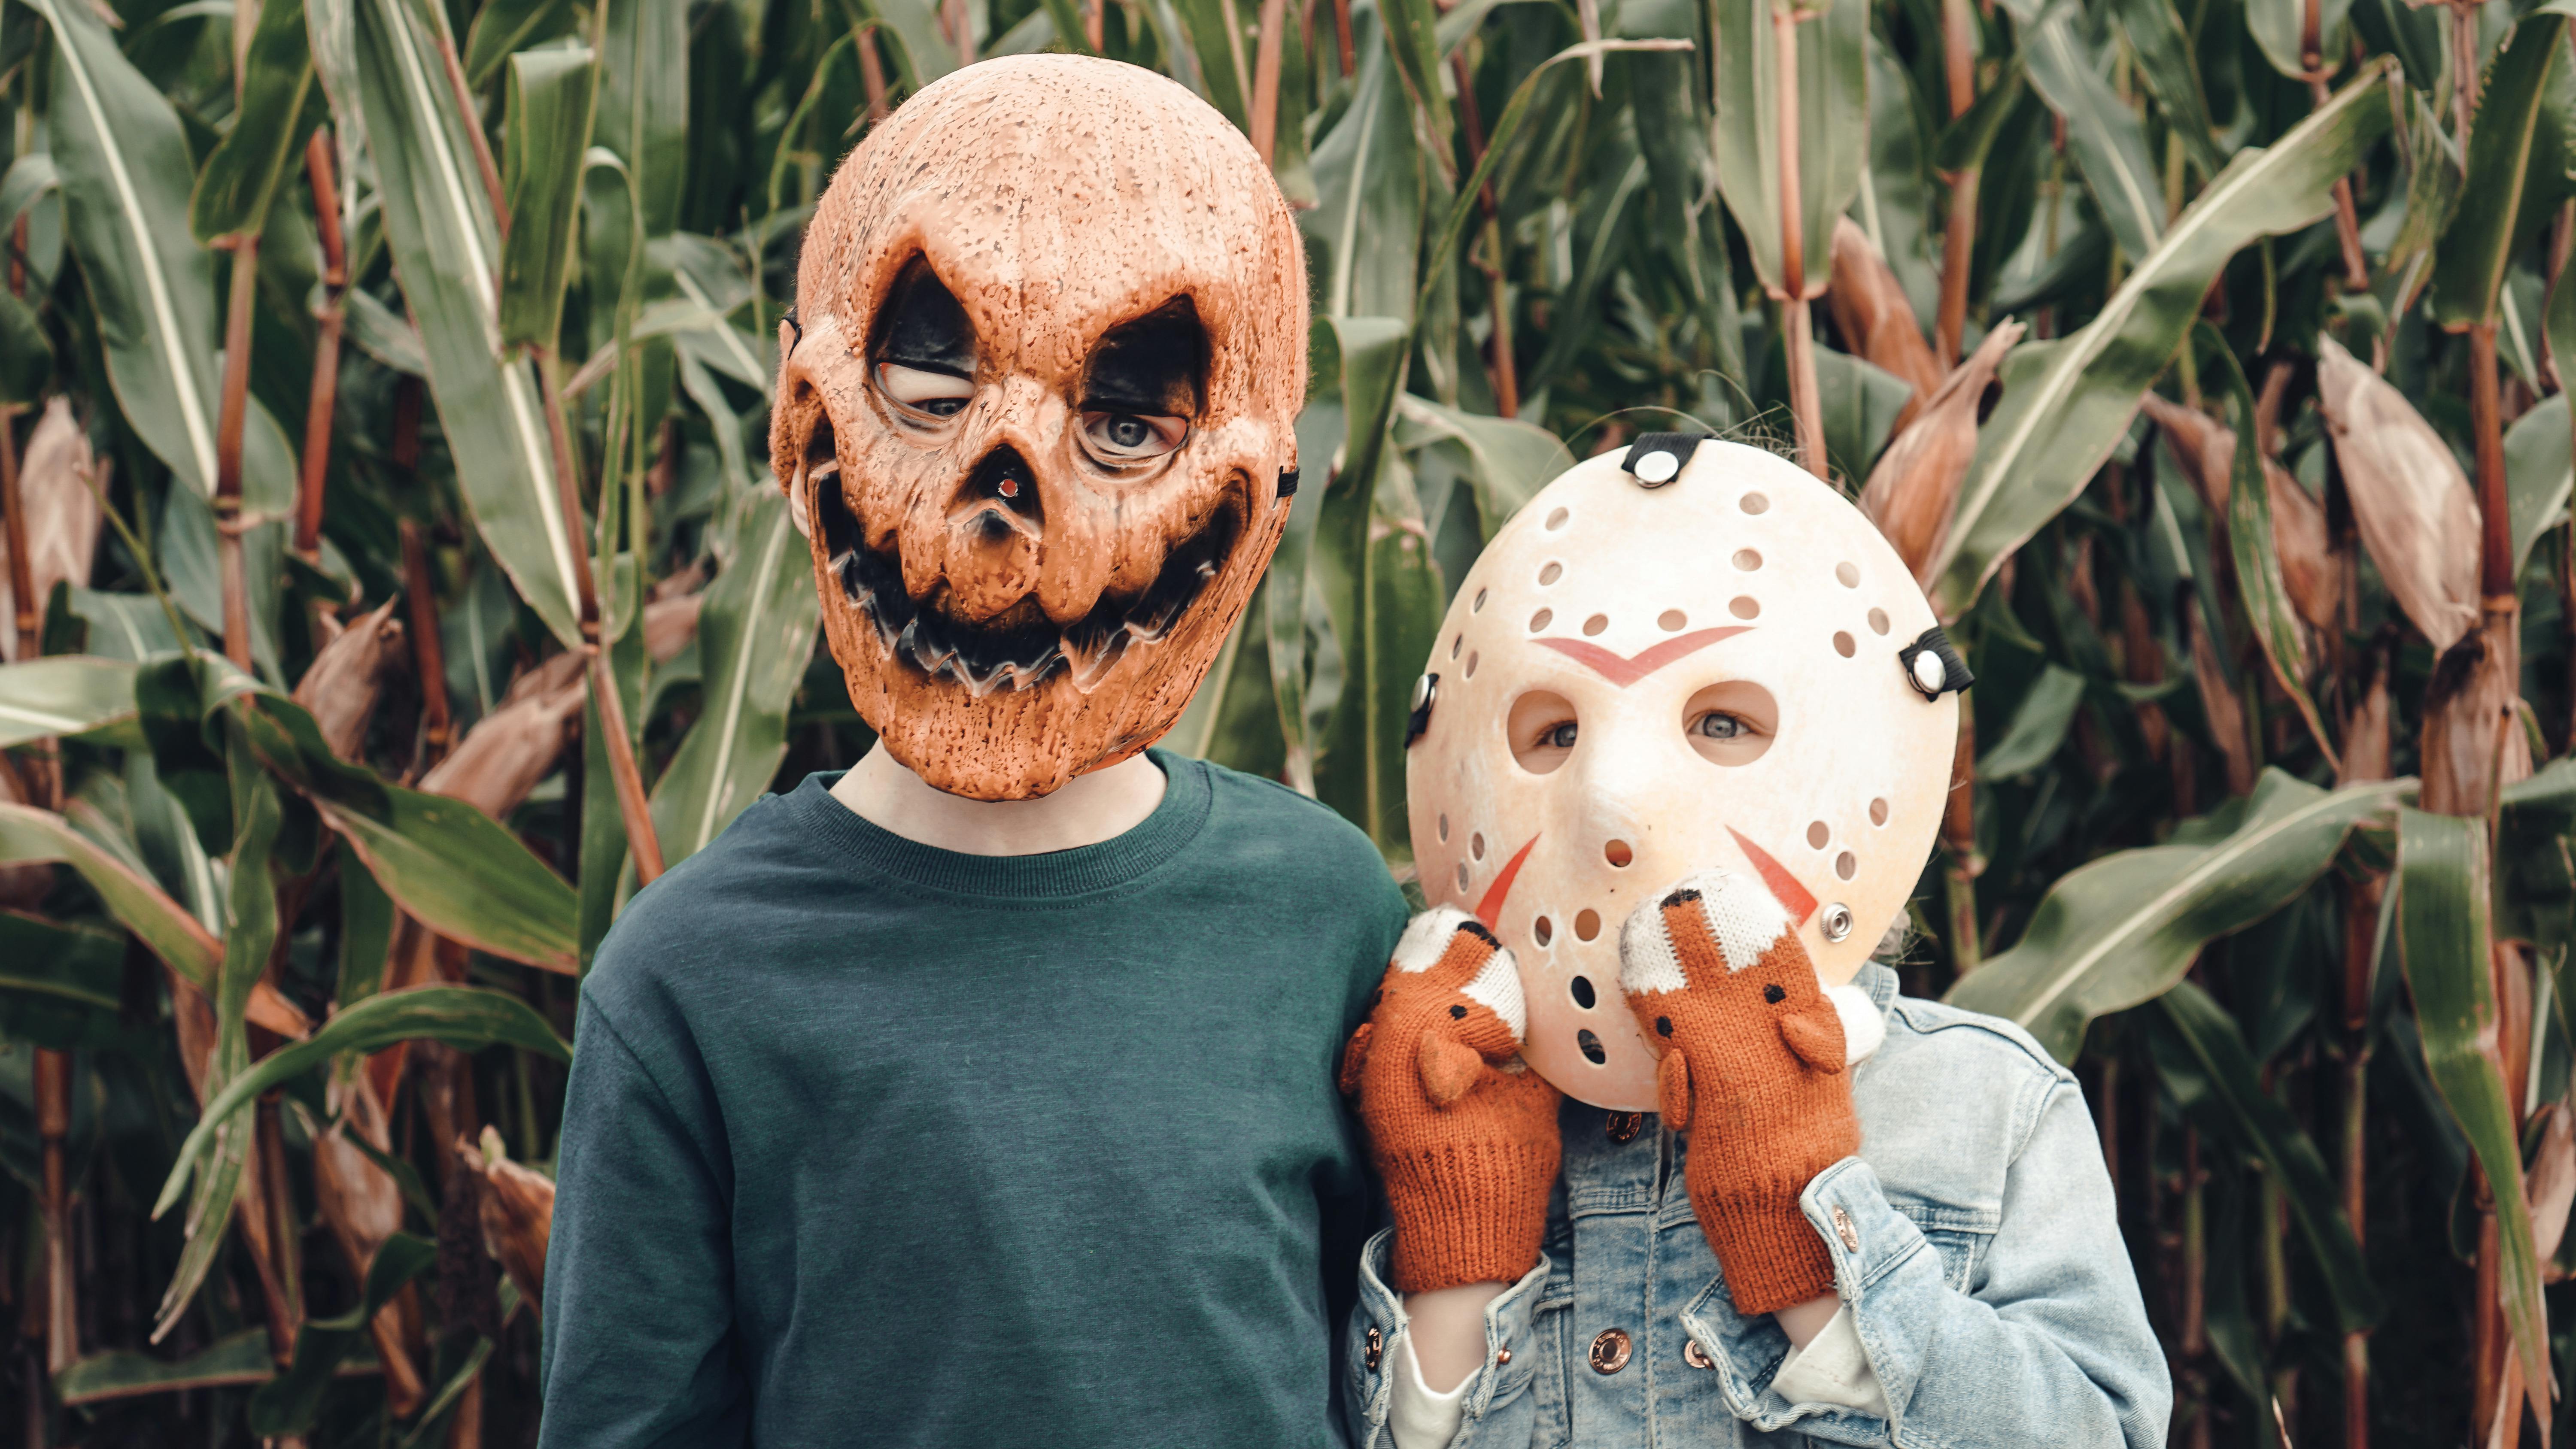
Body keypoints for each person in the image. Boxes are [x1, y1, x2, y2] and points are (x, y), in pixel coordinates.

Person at [537, 56, 1409, 1446]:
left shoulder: (1328, 912)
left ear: (1262, 485)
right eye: (932, 388)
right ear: (803, 410)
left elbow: (1399, 1366)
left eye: (1125, 427)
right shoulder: (692, 973)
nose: (1007, 494)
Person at [1338, 437, 2171, 1447]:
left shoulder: (1986, 1107)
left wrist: (1806, 1238)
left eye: (1724, 721)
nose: (1614, 799)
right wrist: (1460, 1248)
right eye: (1554, 731)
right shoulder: (1441, 1092)